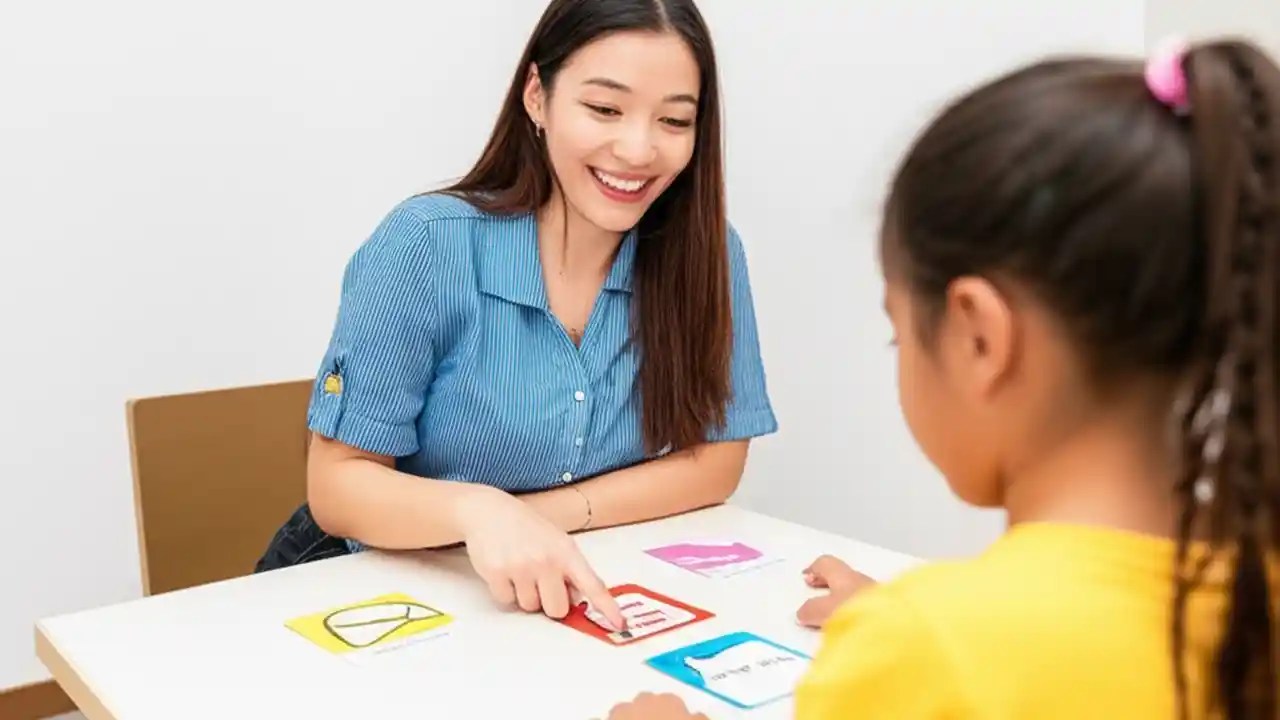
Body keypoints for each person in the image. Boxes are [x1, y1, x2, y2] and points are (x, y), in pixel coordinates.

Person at [607, 35, 1279, 720]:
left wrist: (911, 642)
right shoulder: (1257, 600)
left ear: (979, 338)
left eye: (899, 330)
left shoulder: (925, 653)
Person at [254, 0, 777, 631]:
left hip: (538, 592)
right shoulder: (427, 243)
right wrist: (479, 511)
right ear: (538, 96)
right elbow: (338, 487)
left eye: (673, 120)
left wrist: (535, 518)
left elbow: (715, 464)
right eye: (604, 109)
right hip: (358, 586)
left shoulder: (709, 255)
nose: (638, 149)